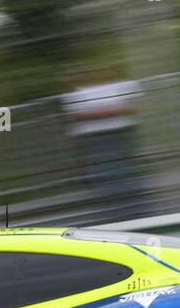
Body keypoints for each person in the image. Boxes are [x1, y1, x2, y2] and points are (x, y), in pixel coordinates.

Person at [60, 66, 144, 216]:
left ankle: (132, 209)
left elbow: (134, 107)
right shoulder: (75, 95)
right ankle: (111, 211)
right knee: (104, 174)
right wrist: (112, 110)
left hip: (118, 135)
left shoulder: (121, 87)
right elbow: (77, 114)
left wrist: (103, 112)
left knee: (122, 171)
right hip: (94, 140)